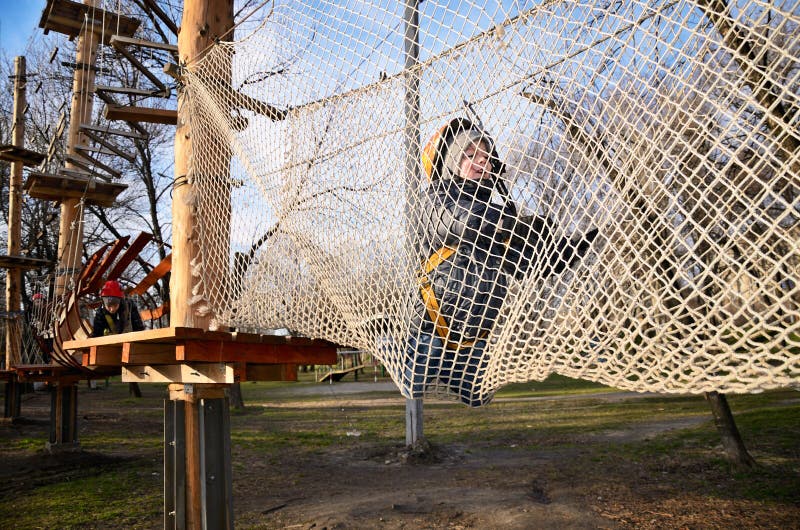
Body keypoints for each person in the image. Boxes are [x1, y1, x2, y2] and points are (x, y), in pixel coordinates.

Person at [404, 118, 598, 406]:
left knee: (478, 397)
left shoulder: (494, 212)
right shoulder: (435, 201)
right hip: (431, 325)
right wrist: (508, 224)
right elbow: (462, 222)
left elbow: (527, 264)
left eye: (485, 156)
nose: (481, 160)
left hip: (472, 337)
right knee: (410, 385)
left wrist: (566, 250)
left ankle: (450, 375)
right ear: (452, 164)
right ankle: (395, 345)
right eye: (470, 155)